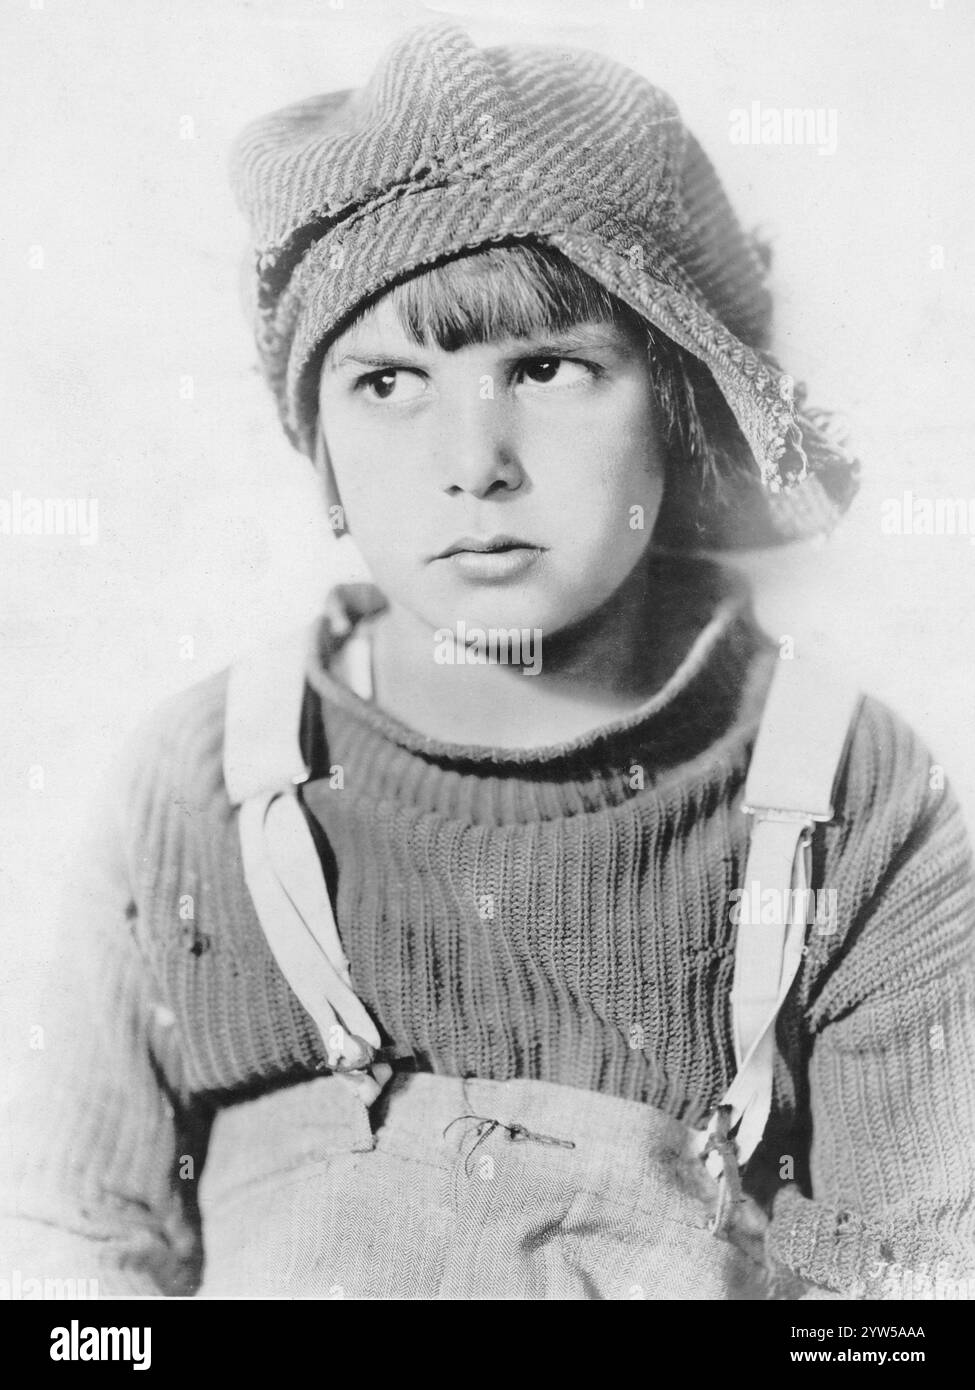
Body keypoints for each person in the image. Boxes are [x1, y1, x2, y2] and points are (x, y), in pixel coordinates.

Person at [2, 21, 974, 1302]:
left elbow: (911, 1302)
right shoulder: (203, 786)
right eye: (391, 381)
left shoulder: (850, 797)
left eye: (549, 365)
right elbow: (65, 1265)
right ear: (322, 449)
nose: (476, 459)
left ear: (679, 402)